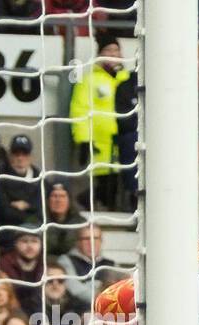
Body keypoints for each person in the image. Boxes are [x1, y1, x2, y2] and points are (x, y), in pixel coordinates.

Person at [69, 33, 129, 210]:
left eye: (116, 50)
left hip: (125, 140)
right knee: (106, 184)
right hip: (100, 142)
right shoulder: (89, 79)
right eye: (108, 50)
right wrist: (83, 139)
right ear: (100, 54)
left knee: (126, 183)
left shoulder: (128, 78)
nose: (113, 54)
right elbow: (79, 109)